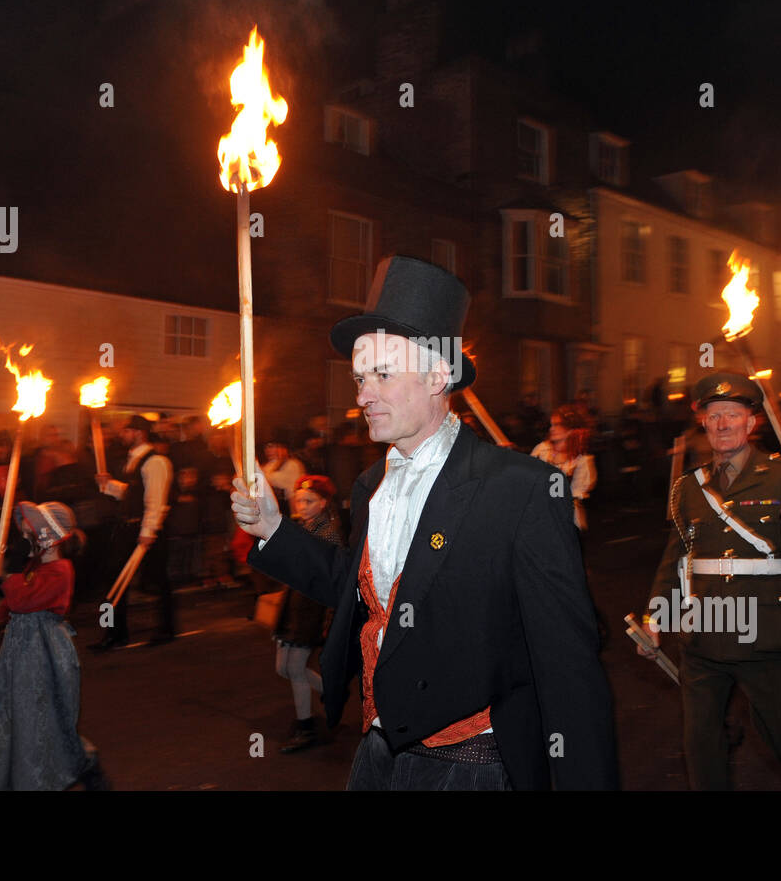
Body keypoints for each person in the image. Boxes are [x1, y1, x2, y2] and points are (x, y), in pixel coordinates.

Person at [232, 256, 617, 790]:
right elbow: (358, 590)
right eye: (359, 377)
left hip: (473, 762)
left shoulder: (520, 487)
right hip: (377, 751)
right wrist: (275, 532)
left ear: (440, 374)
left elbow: (568, 663)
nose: (362, 394)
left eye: (382, 375)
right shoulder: (371, 486)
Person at [640, 373, 781, 791]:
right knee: (701, 743)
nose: (722, 424)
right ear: (704, 424)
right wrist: (656, 615)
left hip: (770, 633)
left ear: (751, 422)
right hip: (704, 631)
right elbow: (677, 558)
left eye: (732, 414)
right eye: (714, 416)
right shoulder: (687, 487)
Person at [0, 501, 108, 790]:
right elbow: (13, 604)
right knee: (20, 713)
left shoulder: (61, 570)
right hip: (21, 649)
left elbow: (27, 598)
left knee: (43, 715)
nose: (23, 538)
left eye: (28, 533)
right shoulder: (35, 566)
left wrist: (7, 583)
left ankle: (79, 764)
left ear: (46, 537)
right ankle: (23, 773)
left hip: (44, 650)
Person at [93, 415, 175, 648]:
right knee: (113, 579)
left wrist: (148, 530)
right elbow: (132, 494)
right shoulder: (129, 459)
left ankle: (166, 629)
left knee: (158, 581)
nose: (121, 434)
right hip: (127, 527)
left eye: (126, 430)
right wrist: (108, 484)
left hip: (149, 530)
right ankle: (113, 633)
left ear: (139, 432)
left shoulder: (156, 461)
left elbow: (155, 499)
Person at [274, 475, 340, 753]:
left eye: (309, 500)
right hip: (294, 602)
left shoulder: (328, 533)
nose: (302, 504)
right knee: (282, 668)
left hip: (312, 606)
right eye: (300, 499)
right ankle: (330, 691)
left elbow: (317, 572)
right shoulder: (304, 526)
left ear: (323, 503)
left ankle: (306, 727)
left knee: (296, 668)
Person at [531, 405, 597, 531]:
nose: (552, 429)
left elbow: (576, 494)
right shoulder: (542, 450)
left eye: (557, 425)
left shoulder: (581, 460)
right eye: (551, 425)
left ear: (571, 429)